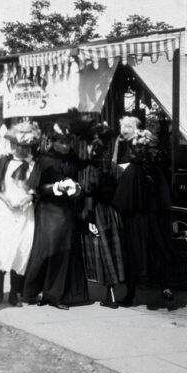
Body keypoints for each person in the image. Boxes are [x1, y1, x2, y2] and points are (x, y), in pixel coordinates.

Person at [112, 118, 186, 307]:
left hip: (137, 215)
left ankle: (132, 293)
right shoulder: (154, 169)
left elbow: (121, 200)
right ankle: (165, 286)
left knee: (134, 252)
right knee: (158, 248)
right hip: (154, 213)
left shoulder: (132, 169)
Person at [23, 123, 89, 310]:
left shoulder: (72, 158)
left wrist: (78, 189)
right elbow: (35, 187)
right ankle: (35, 291)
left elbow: (79, 179)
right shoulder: (44, 160)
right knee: (48, 250)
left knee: (65, 249)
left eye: (68, 142)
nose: (66, 146)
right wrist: (55, 187)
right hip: (49, 211)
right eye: (62, 142)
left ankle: (57, 294)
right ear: (53, 142)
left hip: (68, 210)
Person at [0, 121, 41, 307]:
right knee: (3, 246)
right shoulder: (4, 161)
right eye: (20, 146)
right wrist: (5, 200)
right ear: (14, 144)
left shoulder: (33, 165)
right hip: (4, 209)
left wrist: (29, 197)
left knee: (20, 249)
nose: (23, 149)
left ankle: (14, 292)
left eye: (26, 146)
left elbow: (36, 189)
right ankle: (0, 277)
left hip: (23, 211)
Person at [79, 122, 126, 308]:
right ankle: (112, 292)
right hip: (111, 212)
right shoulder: (112, 165)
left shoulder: (91, 167)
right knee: (113, 250)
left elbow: (89, 192)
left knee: (103, 252)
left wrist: (89, 218)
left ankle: (111, 296)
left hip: (97, 211)